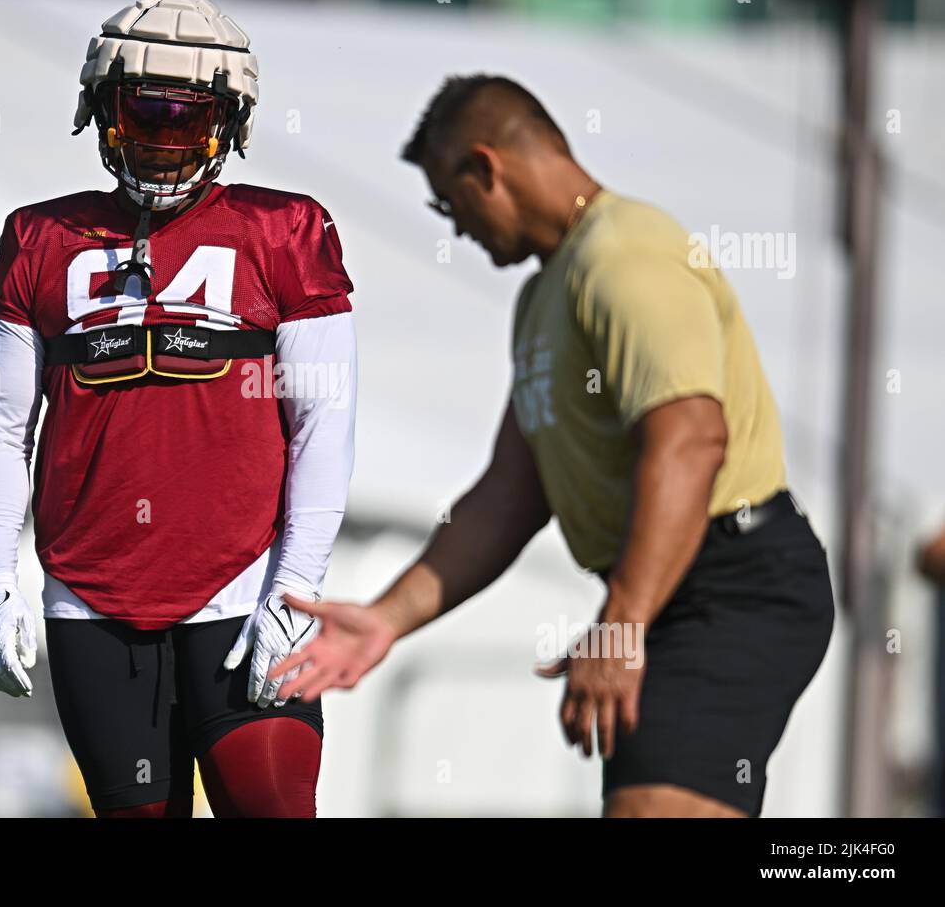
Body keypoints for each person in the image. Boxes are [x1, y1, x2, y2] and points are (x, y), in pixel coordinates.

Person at [271, 75, 834, 818]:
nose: (456, 230)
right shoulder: (546, 297)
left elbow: (692, 440)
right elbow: (507, 495)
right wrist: (386, 618)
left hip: (734, 586)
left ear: (486, 168)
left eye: (450, 202)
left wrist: (622, 623)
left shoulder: (625, 257)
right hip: (670, 588)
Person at [0, 0, 356, 817]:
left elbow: (323, 419)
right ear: (102, 112)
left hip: (245, 590)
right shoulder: (42, 240)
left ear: (227, 121)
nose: (161, 141)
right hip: (91, 599)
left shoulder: (283, 232)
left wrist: (295, 586)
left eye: (185, 119)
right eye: (143, 115)